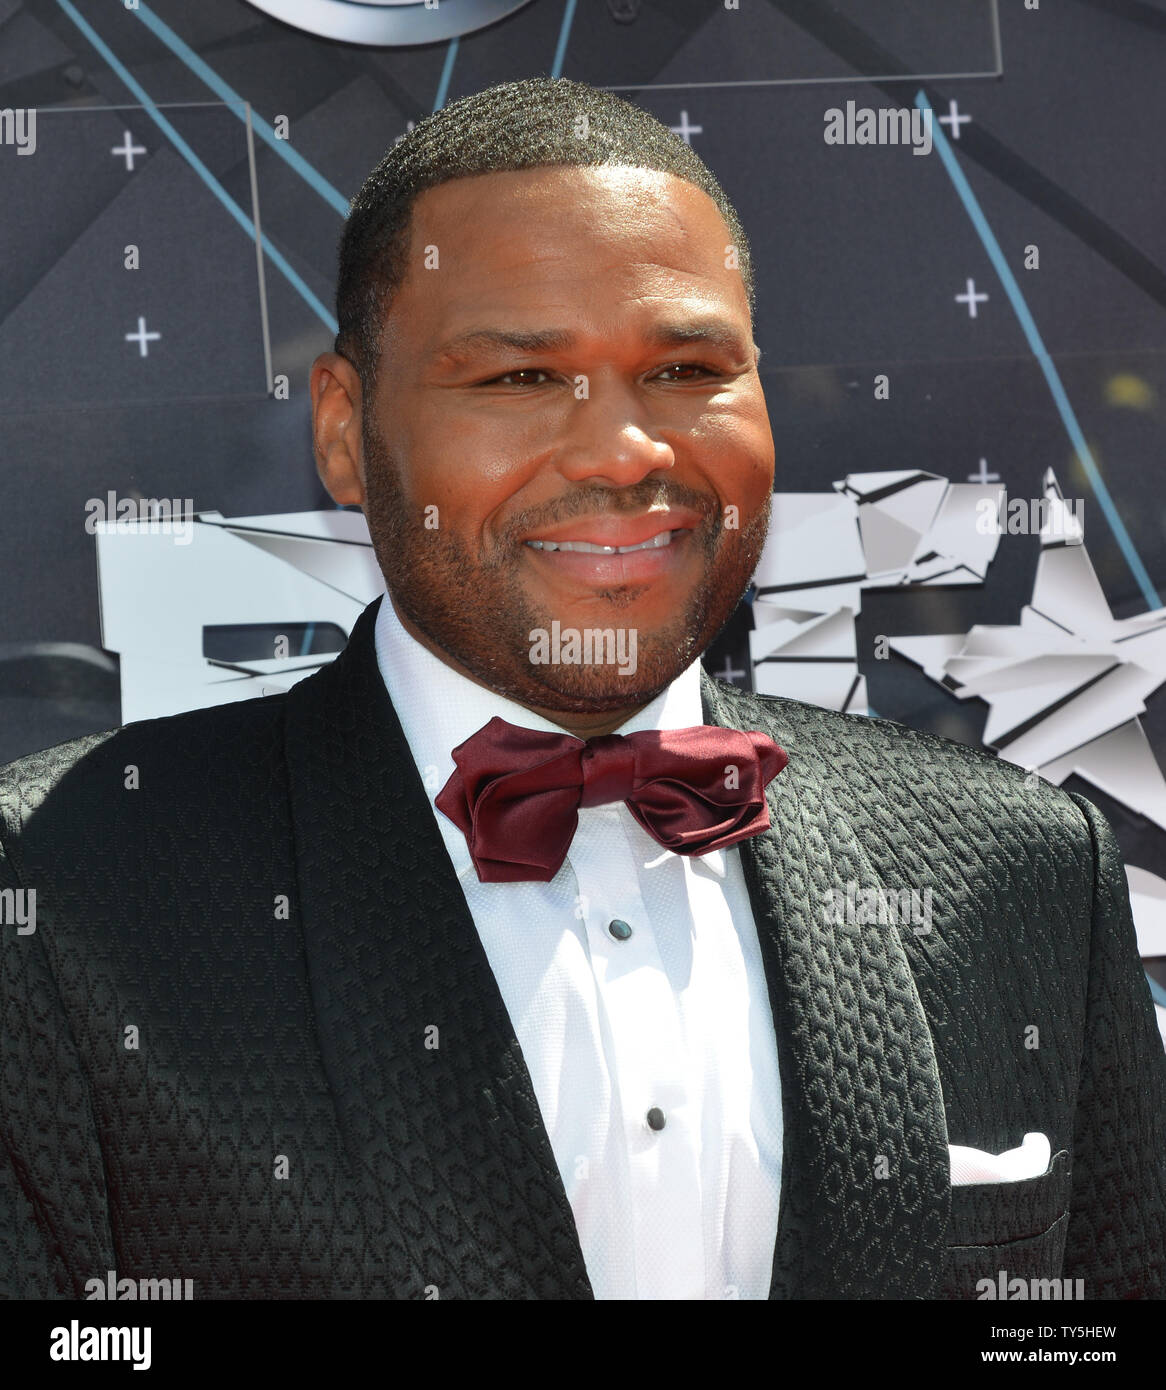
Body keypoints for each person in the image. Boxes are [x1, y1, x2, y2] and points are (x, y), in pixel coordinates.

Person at [1, 76, 1162, 1301]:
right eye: (516, 380)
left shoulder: (1019, 866)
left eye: (685, 367)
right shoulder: (59, 893)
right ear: (345, 431)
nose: (621, 450)